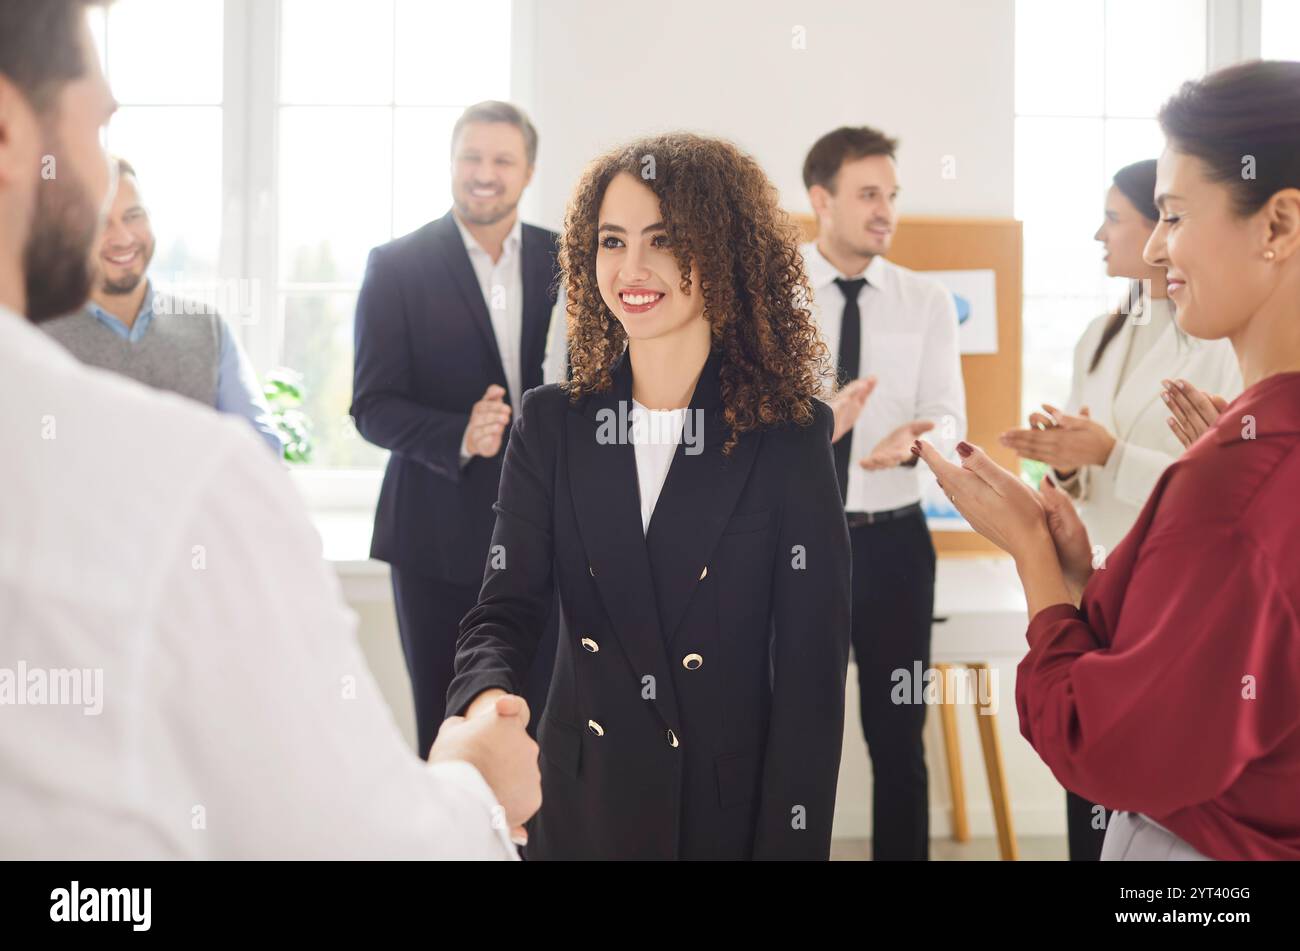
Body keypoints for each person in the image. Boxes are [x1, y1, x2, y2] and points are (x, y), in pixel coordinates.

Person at [0, 0, 538, 859]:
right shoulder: (191, 486)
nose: (111, 197)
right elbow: (346, 838)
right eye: (99, 125)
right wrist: (474, 782)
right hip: (433, 541)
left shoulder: (196, 370)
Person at [915, 59, 1300, 860]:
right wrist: (1087, 569)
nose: (1158, 247)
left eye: (1174, 214)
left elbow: (1106, 745)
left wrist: (1032, 559)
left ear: (1278, 225)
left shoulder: (1234, 480)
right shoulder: (1227, 452)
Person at [446, 132, 852, 860]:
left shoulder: (789, 436)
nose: (631, 268)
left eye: (663, 239)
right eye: (611, 240)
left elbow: (809, 689)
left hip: (719, 816)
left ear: (724, 253)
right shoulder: (552, 423)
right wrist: (485, 703)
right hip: (578, 804)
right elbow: (503, 613)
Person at [998, 159, 1241, 860]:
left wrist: (1109, 454)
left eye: (1116, 218)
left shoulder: (1219, 342)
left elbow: (1221, 484)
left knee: (1139, 774)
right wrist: (1067, 461)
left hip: (1167, 589)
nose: (1099, 233)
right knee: (1087, 769)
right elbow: (1098, 466)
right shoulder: (1099, 337)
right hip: (1096, 580)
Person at [351, 101, 562, 759]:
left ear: (528, 170)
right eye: (471, 156)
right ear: (451, 163)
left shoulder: (570, 261)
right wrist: (458, 434)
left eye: (502, 159)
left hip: (548, 539)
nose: (484, 173)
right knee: (447, 733)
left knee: (540, 735)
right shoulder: (396, 266)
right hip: (433, 543)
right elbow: (371, 404)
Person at [800, 125, 967, 860]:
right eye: (868, 194)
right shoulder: (772, 296)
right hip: (797, 546)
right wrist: (812, 430)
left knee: (899, 738)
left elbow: (949, 409)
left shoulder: (925, 301)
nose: (885, 211)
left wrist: (921, 440)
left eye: (891, 196)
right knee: (794, 738)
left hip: (896, 543)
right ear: (821, 200)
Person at [41, 156, 282, 454]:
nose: (123, 237)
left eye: (133, 215)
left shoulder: (207, 329)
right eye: (101, 222)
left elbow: (262, 452)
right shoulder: (40, 338)